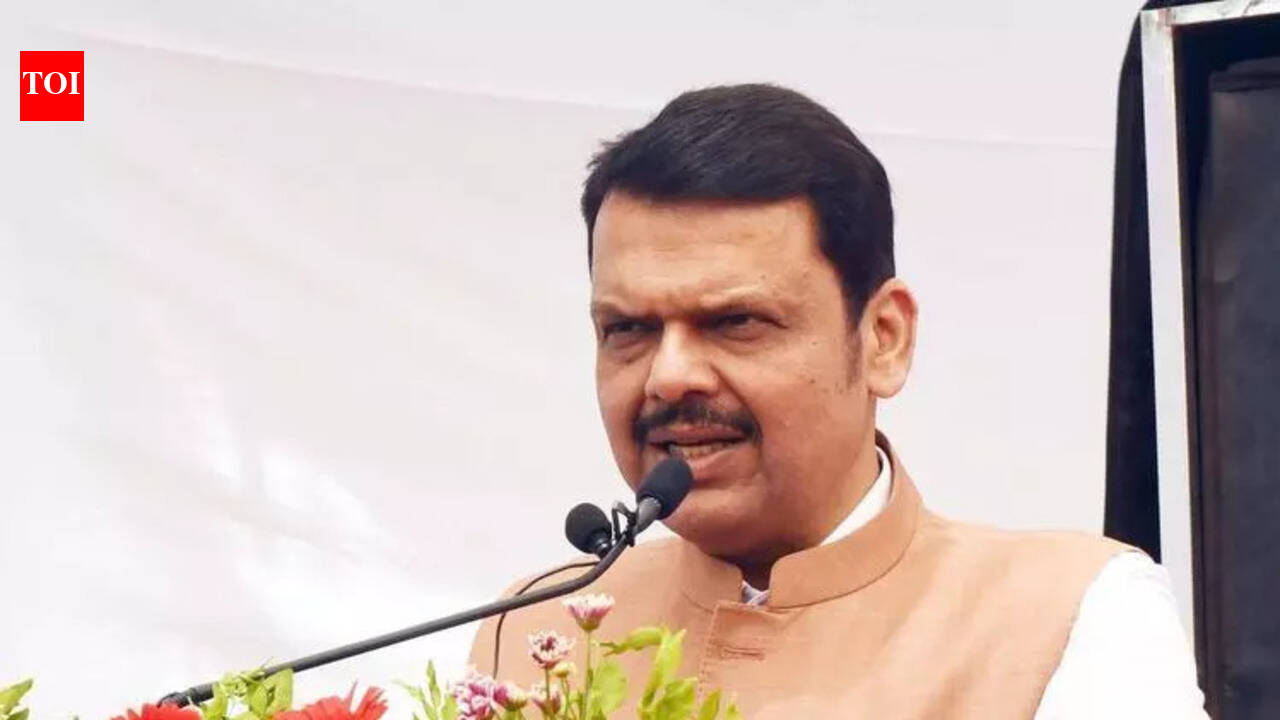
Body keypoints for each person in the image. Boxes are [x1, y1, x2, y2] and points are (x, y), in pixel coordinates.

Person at [470, 84, 1206, 718]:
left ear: (884, 338)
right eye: (629, 329)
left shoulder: (1068, 616)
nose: (670, 377)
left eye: (735, 322)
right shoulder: (538, 631)